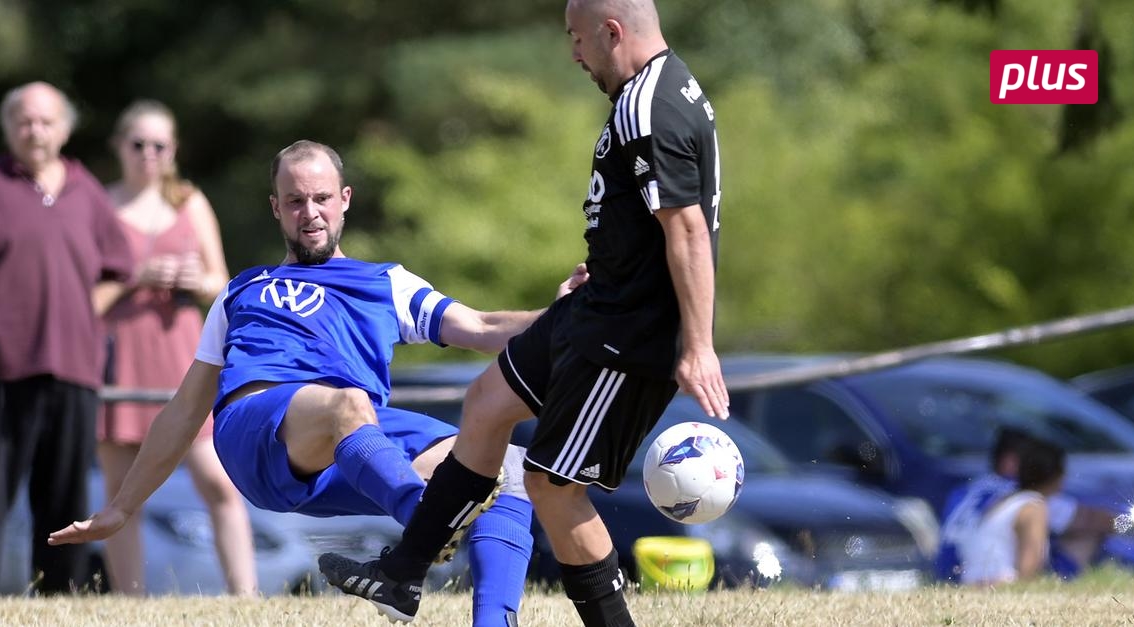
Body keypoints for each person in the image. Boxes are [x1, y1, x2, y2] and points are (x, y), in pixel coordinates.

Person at [49, 140, 582, 625]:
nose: (311, 213)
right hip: (257, 437)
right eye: (296, 201)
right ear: (276, 208)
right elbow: (186, 408)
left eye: (322, 198)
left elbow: (483, 327)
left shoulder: (385, 283)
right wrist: (122, 507)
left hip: (345, 447)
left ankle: (493, 621)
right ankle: (418, 540)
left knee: (507, 467)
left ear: (344, 199)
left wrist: (560, 315)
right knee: (346, 403)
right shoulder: (242, 290)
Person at [319, 1, 728, 624]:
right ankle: (402, 575)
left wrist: (697, 345)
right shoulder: (658, 89)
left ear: (612, 32)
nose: (574, 54)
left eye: (578, 39)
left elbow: (689, 229)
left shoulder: (651, 105)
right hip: (597, 305)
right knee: (486, 403)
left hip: (625, 334)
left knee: (552, 487)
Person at [0, 81, 135, 594]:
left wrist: (83, 310)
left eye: (46, 121)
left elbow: (120, 268)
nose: (35, 131)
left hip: (72, 367)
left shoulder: (86, 190)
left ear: (64, 129)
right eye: (24, 121)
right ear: (8, 128)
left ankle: (60, 598)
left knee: (65, 499)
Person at [96, 100, 256, 595]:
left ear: (174, 150)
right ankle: (131, 603)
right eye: (138, 144)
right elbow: (80, 298)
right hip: (121, 359)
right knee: (122, 493)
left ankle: (246, 597)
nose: (149, 153)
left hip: (183, 358)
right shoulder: (101, 205)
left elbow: (222, 282)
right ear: (119, 146)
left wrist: (196, 280)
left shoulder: (190, 202)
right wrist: (135, 278)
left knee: (219, 482)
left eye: (159, 145)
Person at [936, 427, 1114, 583]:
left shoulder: (966, 490)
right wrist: (1127, 524)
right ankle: (1070, 582)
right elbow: (1091, 519)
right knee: (1085, 535)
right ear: (1011, 461)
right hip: (992, 581)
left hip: (950, 571)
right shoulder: (1026, 499)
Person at [958, 435, 1066, 585]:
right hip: (996, 585)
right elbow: (1028, 572)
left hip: (972, 583)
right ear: (1057, 476)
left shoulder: (1005, 500)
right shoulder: (1033, 507)